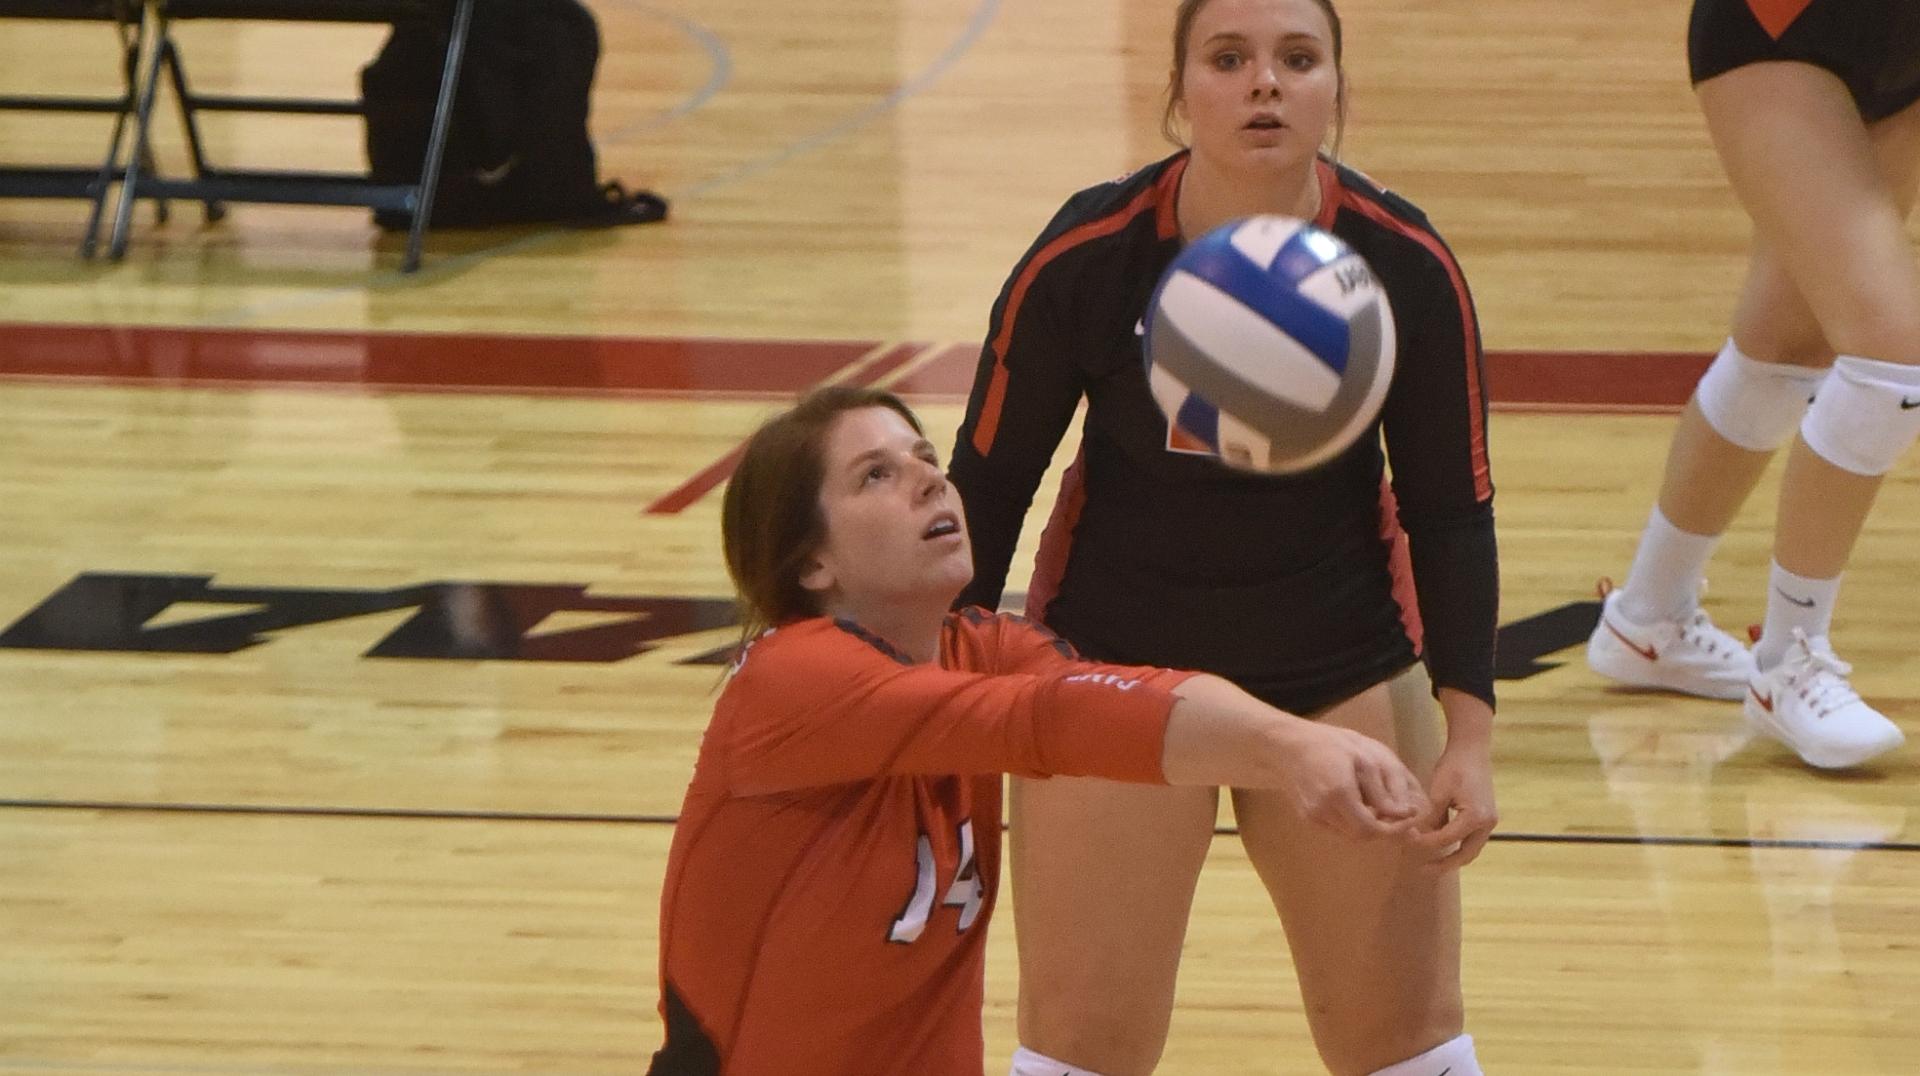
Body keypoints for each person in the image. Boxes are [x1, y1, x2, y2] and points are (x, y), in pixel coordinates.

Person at [946, 1, 1499, 1074]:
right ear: (1178, 92)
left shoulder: (1405, 264)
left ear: (1337, 89)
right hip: (1114, 666)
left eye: (1298, 60)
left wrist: (1468, 734)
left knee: (1409, 1048)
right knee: (1080, 1048)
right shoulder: (1089, 257)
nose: (1265, 85)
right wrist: (940, 695)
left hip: (1340, 663)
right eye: (1229, 59)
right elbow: (988, 486)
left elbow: (1451, 507)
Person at [645, 385, 1438, 1076]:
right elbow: (1049, 720)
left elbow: (1116, 692)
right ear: (812, 564)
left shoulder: (976, 648)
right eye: (876, 476)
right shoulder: (795, 681)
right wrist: (1288, 748)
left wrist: (1288, 734)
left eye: (924, 455)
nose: (927, 479)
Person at [1585, 0, 1919, 769]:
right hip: (1782, 28)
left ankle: (1648, 620)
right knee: (1893, 361)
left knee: (1787, 346)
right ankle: (1789, 666)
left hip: (1901, 44)